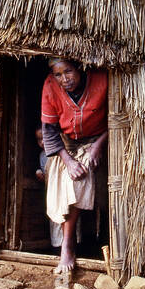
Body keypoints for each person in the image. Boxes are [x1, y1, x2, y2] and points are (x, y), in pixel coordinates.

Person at [41, 57, 108, 275]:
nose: (64, 79)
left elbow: (118, 115)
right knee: (66, 182)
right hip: (65, 145)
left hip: (97, 140)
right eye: (58, 75)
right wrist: (68, 160)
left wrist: (97, 146)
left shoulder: (101, 79)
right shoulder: (50, 87)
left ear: (80, 68)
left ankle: (70, 246)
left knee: (80, 177)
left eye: (68, 71)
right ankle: (66, 245)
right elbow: (49, 130)